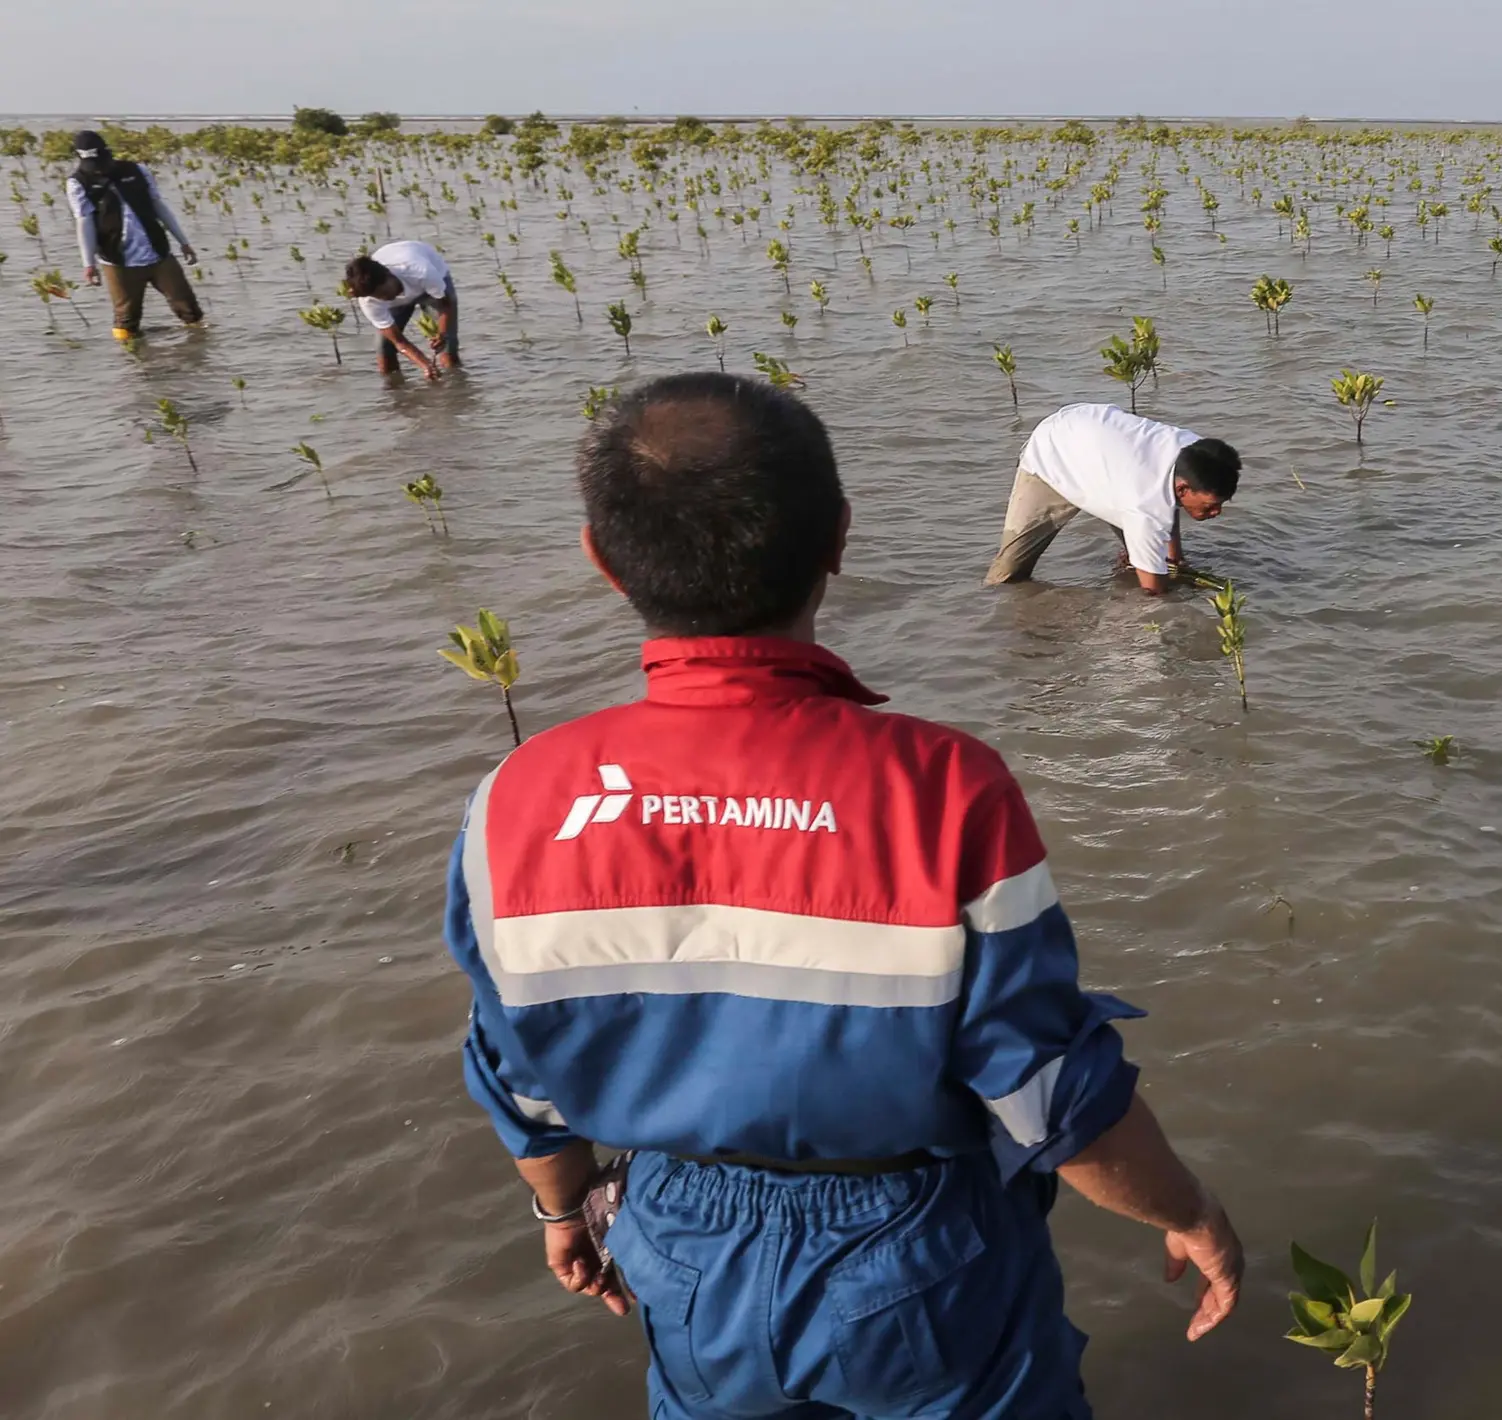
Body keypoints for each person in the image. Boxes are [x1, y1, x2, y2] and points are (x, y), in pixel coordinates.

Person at [441, 373, 1243, 1420]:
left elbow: (517, 1067)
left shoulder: (514, 801)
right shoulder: (940, 786)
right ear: (839, 540)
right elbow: (1044, 1083)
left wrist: (562, 1211)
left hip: (675, 1242)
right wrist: (1185, 1208)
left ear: (601, 559)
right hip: (915, 1249)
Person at [986, 402, 1240, 595]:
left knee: (1149, 557)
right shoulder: (1144, 508)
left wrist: (1174, 560)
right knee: (1009, 573)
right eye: (1211, 506)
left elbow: (1168, 498)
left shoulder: (1198, 452)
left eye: (1221, 504)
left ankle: (1138, 560)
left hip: (1105, 458)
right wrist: (1176, 597)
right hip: (1054, 454)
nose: (1217, 512)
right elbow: (1152, 591)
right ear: (1184, 488)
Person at [65, 129, 202, 341]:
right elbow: (84, 222)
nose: (99, 170)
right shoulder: (77, 183)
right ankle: (132, 363)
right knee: (126, 320)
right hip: (117, 260)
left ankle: (199, 348)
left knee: (188, 307)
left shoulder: (136, 170)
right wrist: (88, 264)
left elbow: (158, 206)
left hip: (158, 253)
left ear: (108, 153)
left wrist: (183, 242)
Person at [343, 240, 458, 379]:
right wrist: (426, 365)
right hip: (407, 280)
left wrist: (442, 334)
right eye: (378, 297)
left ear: (389, 274)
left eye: (384, 292)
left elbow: (446, 305)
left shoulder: (421, 271)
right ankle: (393, 391)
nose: (385, 299)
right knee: (384, 347)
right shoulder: (369, 300)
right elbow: (399, 341)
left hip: (431, 284)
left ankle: (455, 385)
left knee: (447, 347)